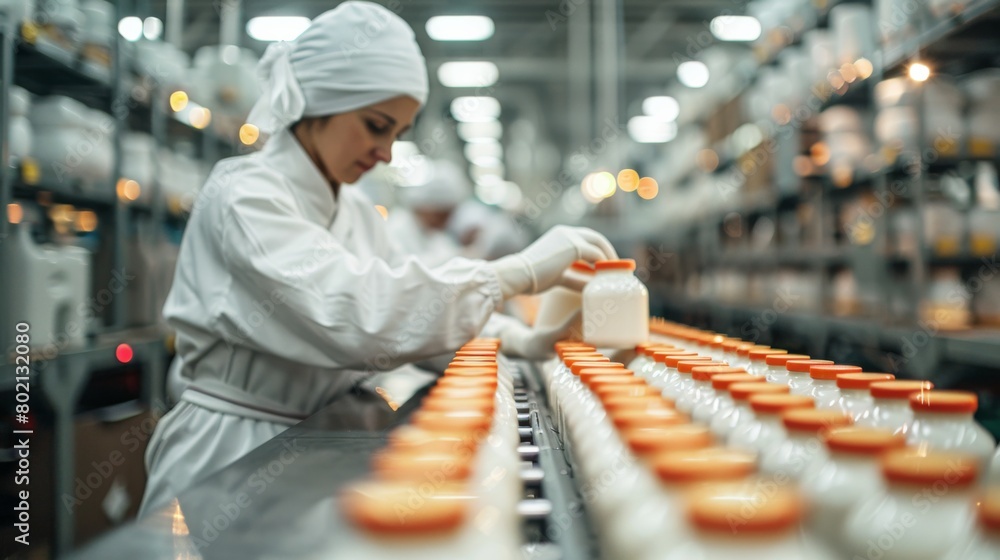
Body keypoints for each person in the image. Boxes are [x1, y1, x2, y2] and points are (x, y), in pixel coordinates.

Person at [139, 2, 616, 515]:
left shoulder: (357, 212)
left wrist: (521, 339)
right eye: (375, 125)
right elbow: (355, 313)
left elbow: (411, 313)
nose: (386, 152)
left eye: (397, 134)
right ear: (318, 102)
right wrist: (514, 273)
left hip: (318, 438)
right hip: (232, 452)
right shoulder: (245, 196)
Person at [386, 159, 468, 266]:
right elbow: (403, 268)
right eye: (442, 215)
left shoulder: (433, 233)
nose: (446, 221)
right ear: (427, 207)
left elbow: (448, 253)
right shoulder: (398, 227)